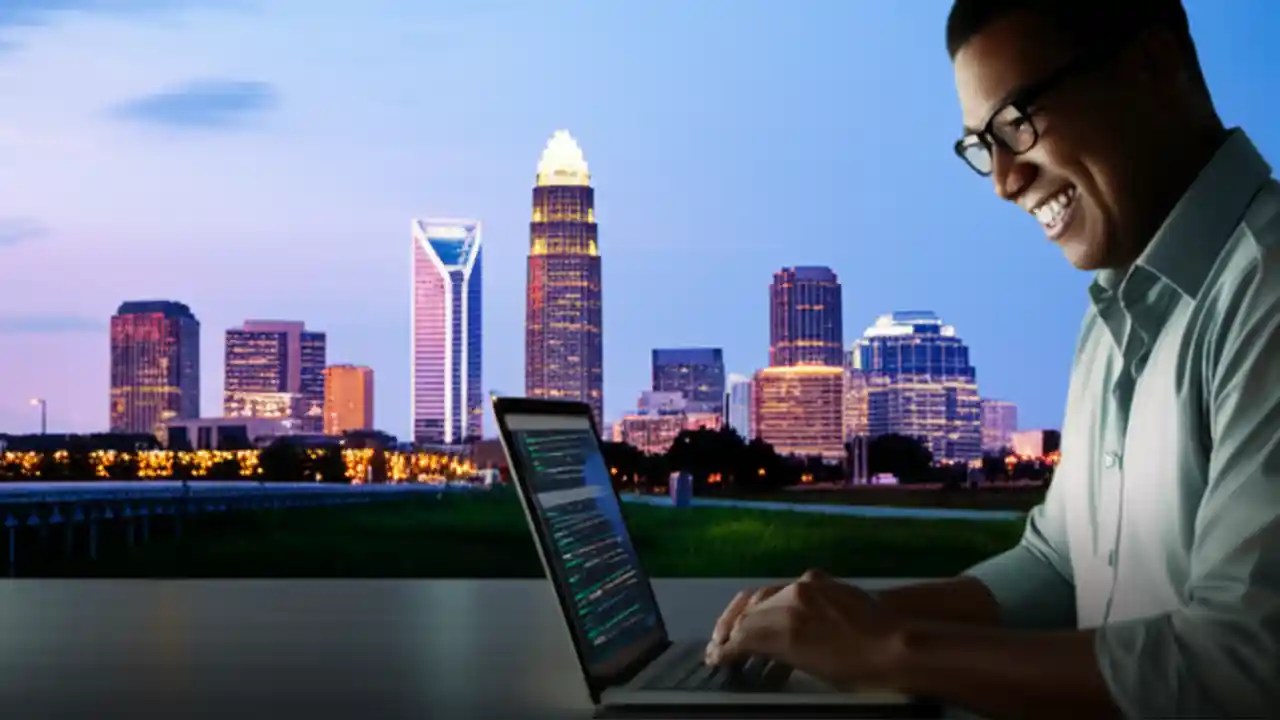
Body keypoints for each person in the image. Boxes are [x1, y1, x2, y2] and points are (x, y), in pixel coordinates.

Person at [704, 1, 1280, 717]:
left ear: (1151, 69)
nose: (1005, 180)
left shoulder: (1267, 291)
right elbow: (1058, 565)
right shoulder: (1113, 314)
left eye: (1017, 123)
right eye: (984, 145)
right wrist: (848, 622)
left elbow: (1244, 668)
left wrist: (887, 655)